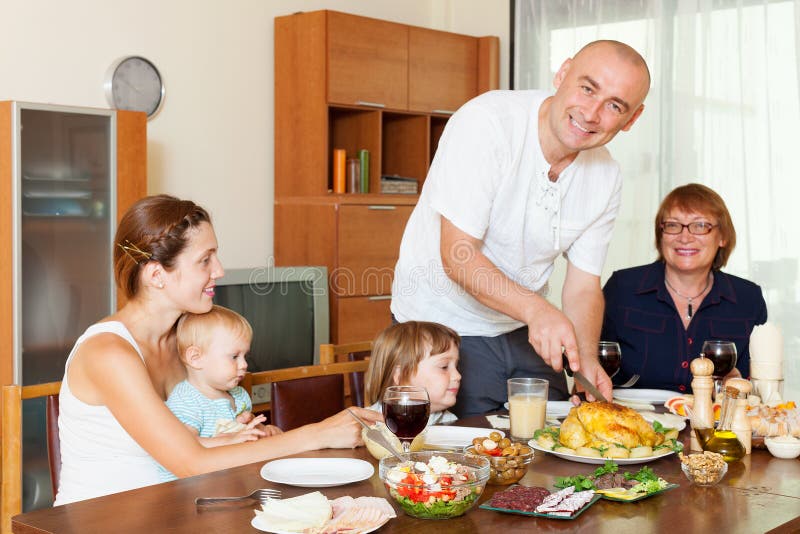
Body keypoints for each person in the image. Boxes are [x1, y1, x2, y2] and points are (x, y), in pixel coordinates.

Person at [54, 195, 381, 505]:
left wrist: (252, 433)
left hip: (175, 513)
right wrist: (320, 432)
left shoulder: (186, 343)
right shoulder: (109, 354)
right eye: (204, 260)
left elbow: (211, 440)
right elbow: (192, 462)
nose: (219, 271)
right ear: (156, 275)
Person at [390, 40, 651, 416]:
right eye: (587, 88)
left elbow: (583, 286)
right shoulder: (487, 123)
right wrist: (538, 311)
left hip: (520, 323)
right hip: (441, 325)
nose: (591, 113)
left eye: (614, 106)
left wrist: (587, 361)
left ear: (631, 119)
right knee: (472, 457)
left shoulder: (606, 175)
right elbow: (457, 254)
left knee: (558, 442)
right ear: (562, 74)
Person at [601, 183, 767, 393]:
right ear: (661, 235)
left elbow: (756, 383)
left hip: (715, 423)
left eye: (700, 226)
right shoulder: (622, 287)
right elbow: (591, 363)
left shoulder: (748, 298)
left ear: (723, 237)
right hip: (629, 422)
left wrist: (739, 382)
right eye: (673, 225)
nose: (685, 237)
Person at [158, 305, 283, 481]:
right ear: (196, 358)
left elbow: (245, 435)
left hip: (228, 478)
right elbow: (187, 446)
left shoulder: (239, 395)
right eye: (234, 357)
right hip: (188, 486)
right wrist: (230, 440)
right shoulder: (186, 400)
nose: (244, 364)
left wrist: (262, 431)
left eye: (245, 356)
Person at [364, 321, 461, 425]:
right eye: (444, 367)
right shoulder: (370, 426)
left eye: (456, 366)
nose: (458, 376)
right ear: (400, 376)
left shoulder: (450, 422)